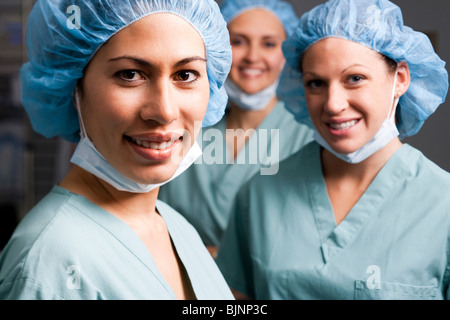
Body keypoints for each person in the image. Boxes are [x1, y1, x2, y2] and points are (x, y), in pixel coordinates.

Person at [0, 0, 234, 300]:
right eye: (130, 74)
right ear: (74, 88)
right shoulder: (49, 265)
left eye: (186, 75)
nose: (163, 111)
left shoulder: (174, 225)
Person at [216, 0, 450, 299]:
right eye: (316, 83)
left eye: (354, 79)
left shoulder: (443, 204)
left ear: (400, 79)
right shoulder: (259, 195)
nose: (332, 104)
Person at [158, 0, 313, 257]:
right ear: (218, 48)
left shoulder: (308, 133)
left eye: (269, 43)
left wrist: (217, 259)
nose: (252, 56)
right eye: (238, 41)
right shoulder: (187, 125)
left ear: (287, 52)